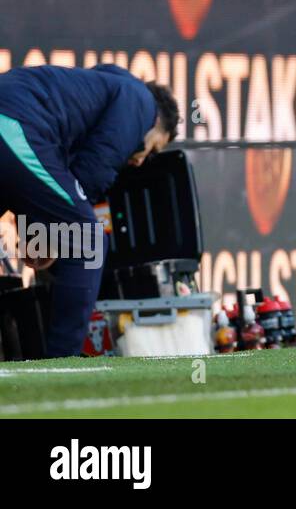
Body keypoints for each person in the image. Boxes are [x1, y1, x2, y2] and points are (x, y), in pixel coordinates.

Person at [0, 64, 177, 357]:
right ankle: (61, 363)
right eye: (154, 150)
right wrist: (50, 234)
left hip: (14, 131)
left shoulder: (104, 86)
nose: (141, 162)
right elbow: (92, 171)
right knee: (88, 239)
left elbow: (36, 182)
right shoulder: (141, 103)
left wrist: (37, 228)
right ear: (157, 122)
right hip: (12, 127)